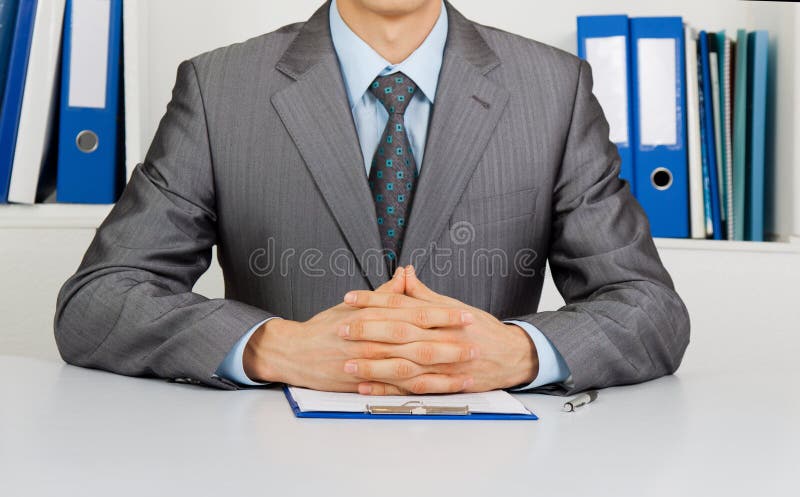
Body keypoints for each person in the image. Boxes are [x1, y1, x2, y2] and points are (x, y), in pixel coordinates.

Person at [55, 0, 690, 396]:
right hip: (273, 459)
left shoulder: (553, 88)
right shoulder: (220, 86)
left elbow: (650, 308)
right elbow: (96, 301)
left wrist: (518, 353)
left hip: (489, 466)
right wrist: (271, 347)